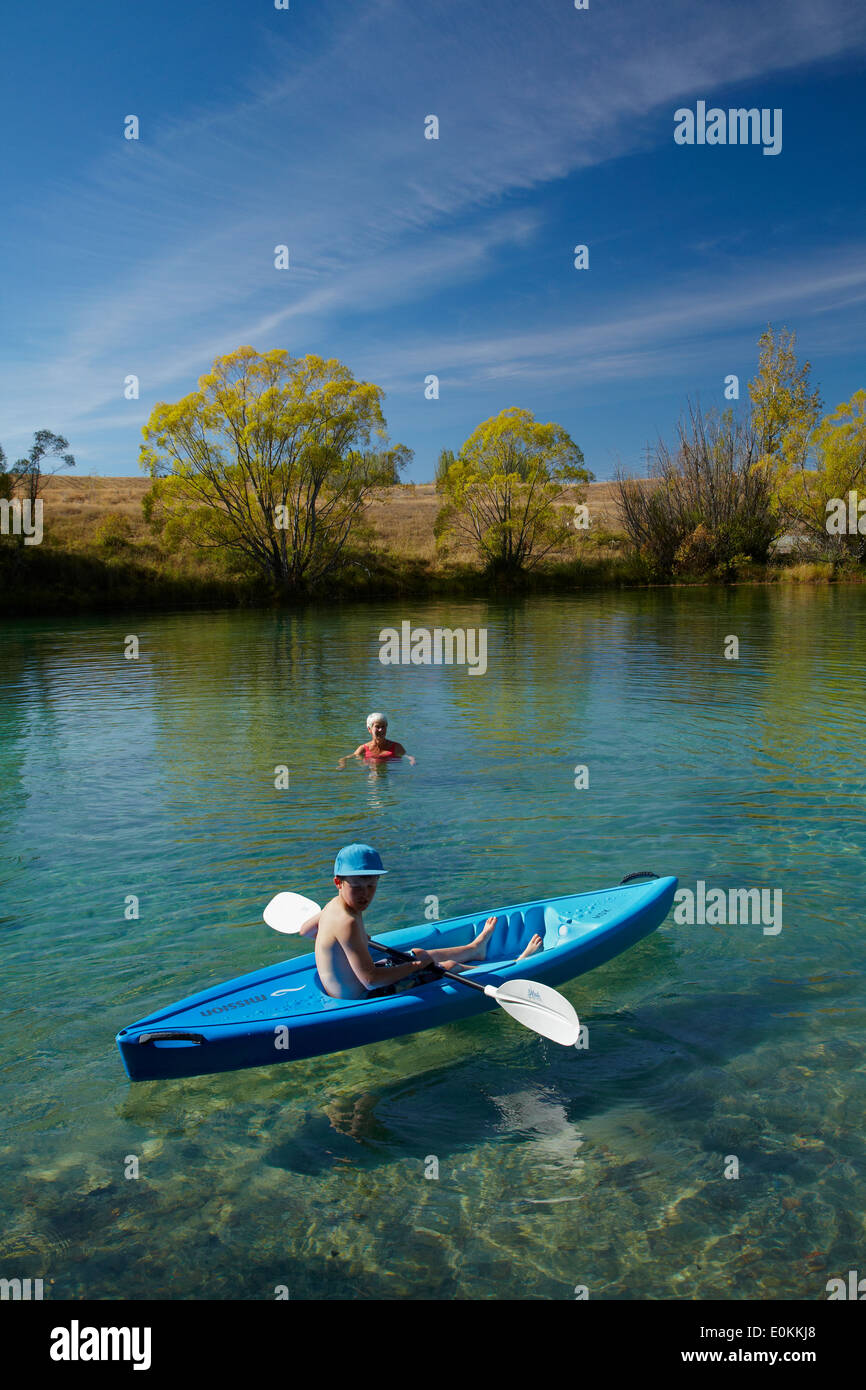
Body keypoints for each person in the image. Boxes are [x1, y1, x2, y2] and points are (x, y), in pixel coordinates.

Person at [305, 843, 542, 1000]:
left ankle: (474, 949)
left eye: (371, 886)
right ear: (339, 882)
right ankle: (514, 966)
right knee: (446, 968)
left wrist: (350, 943)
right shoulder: (347, 922)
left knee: (418, 952)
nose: (365, 895)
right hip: (361, 996)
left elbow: (305, 930)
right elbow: (371, 982)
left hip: (350, 984)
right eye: (357, 887)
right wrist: (417, 967)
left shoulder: (331, 907)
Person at [337, 713, 416, 769]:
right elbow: (344, 758)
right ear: (369, 729)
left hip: (390, 772)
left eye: (383, 726)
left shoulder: (396, 746)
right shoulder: (363, 748)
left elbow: (408, 756)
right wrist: (342, 765)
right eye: (377, 727)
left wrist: (412, 761)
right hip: (371, 772)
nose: (381, 730)